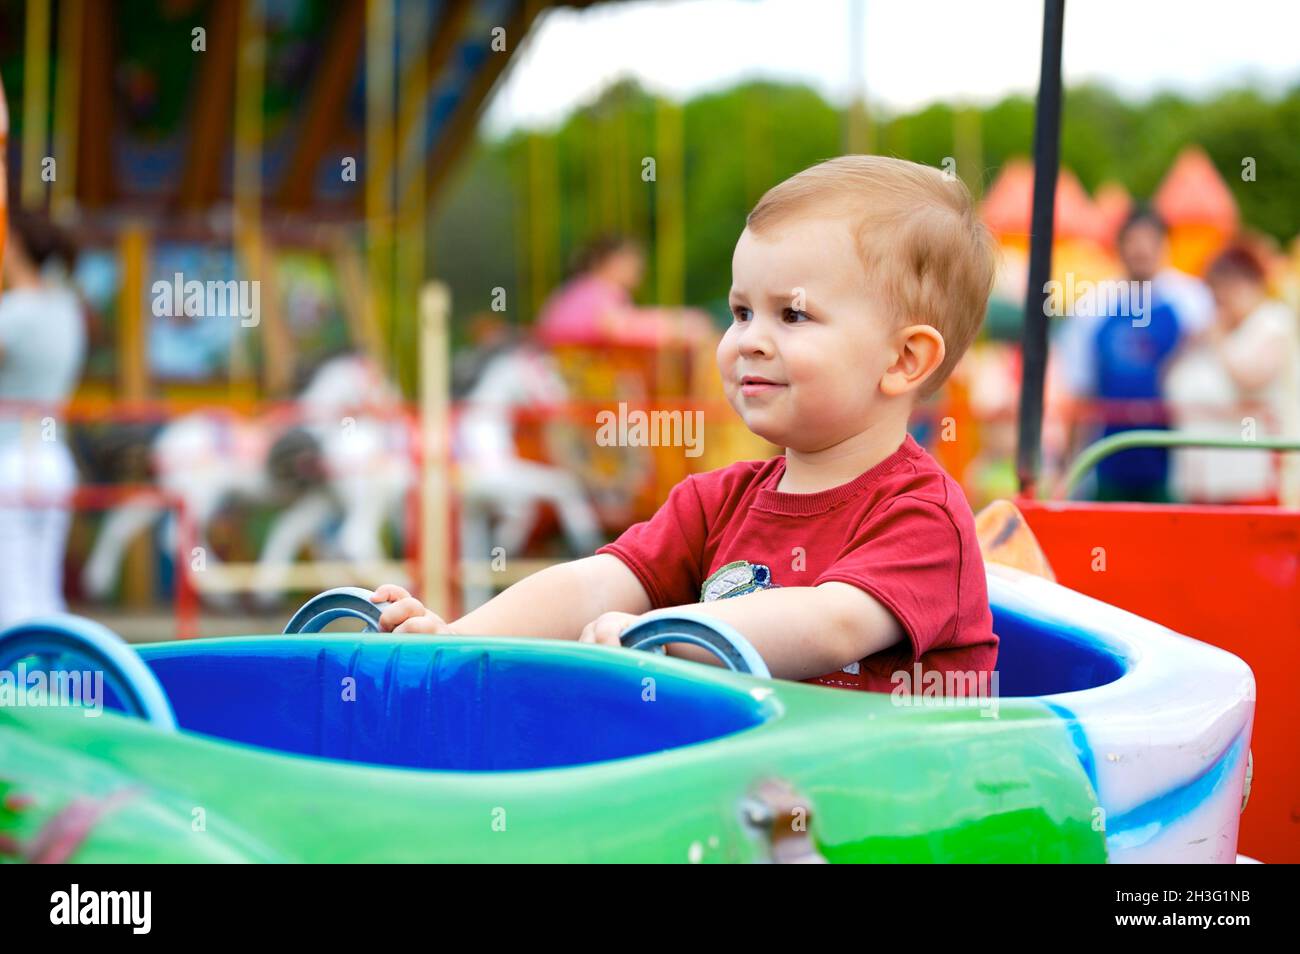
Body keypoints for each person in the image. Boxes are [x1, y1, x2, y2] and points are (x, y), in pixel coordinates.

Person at [370, 156, 998, 694]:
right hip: (751, 789)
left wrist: (666, 637)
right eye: (742, 311)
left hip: (898, 807)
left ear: (904, 359)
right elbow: (597, 584)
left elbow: (832, 621)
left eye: (793, 315)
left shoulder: (924, 516)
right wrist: (457, 639)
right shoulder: (714, 503)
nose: (749, 340)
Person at [1055, 206, 1212, 501]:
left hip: (1175, 455)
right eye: (1134, 241)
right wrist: (1068, 458)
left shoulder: (1193, 302)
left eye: (1150, 240)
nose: (1142, 250)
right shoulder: (1095, 304)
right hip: (1107, 453)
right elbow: (1079, 385)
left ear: (1164, 245)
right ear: (1120, 246)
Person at [0, 209, 87, 627]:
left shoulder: (16, 312)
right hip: (52, 459)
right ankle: (53, 688)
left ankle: (17, 692)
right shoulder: (65, 310)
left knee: (12, 600)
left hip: (11, 458)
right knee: (45, 595)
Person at [1165, 244, 1300, 505]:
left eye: (1227, 288)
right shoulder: (1212, 330)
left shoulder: (1273, 322)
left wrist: (1218, 340)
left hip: (1254, 479)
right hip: (1204, 482)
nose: (1222, 299)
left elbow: (1250, 376)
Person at [534, 233, 711, 348]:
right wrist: (679, 324)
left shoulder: (576, 290)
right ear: (605, 261)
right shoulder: (599, 291)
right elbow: (619, 327)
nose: (639, 267)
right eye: (630, 260)